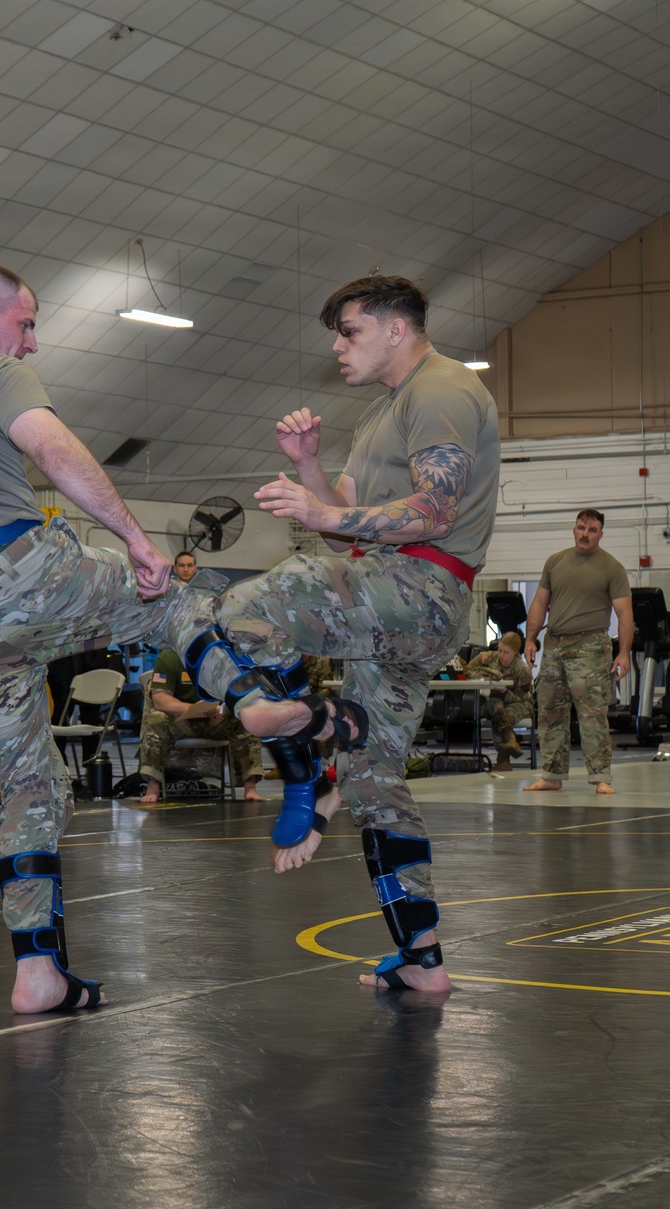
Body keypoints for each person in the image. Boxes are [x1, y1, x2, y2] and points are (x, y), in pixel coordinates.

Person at [0, 262, 344, 1015]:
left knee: (32, 785)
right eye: (27, 324)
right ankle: (258, 709)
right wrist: (134, 537)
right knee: (167, 601)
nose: (31, 344)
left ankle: (38, 970)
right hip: (22, 570)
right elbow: (55, 451)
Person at [186, 274, 501, 995]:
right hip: (395, 607)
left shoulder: (441, 389)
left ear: (397, 328)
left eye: (349, 330)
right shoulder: (382, 414)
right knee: (377, 781)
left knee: (235, 614)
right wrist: (308, 470)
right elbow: (349, 515)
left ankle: (308, 753)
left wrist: (321, 520)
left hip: (418, 587)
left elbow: (433, 512)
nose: (337, 347)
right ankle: (423, 959)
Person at [522, 510, 633, 795]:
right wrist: (530, 639)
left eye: (592, 530)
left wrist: (623, 654)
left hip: (591, 647)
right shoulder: (555, 562)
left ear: (600, 534)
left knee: (592, 713)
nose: (585, 534)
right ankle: (552, 774)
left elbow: (625, 614)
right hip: (554, 645)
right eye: (581, 527)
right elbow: (539, 603)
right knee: (549, 711)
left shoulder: (612, 568)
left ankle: (601, 778)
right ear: (574, 529)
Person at [138, 648, 263, 803]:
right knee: (157, 719)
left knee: (245, 719)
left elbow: (236, 693)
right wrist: (189, 709)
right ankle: (153, 784)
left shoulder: (220, 657)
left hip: (214, 720)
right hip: (180, 721)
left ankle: (250, 787)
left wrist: (222, 710)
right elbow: (160, 699)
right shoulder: (169, 657)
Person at [464, 632, 533, 771]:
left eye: (506, 652)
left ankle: (504, 760)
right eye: (499, 650)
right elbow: (467, 671)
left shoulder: (522, 670)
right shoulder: (490, 658)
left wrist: (505, 692)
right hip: (494, 703)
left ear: (515, 652)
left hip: (519, 705)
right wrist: (484, 670)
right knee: (495, 705)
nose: (501, 655)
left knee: (499, 713)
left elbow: (524, 699)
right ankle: (510, 745)